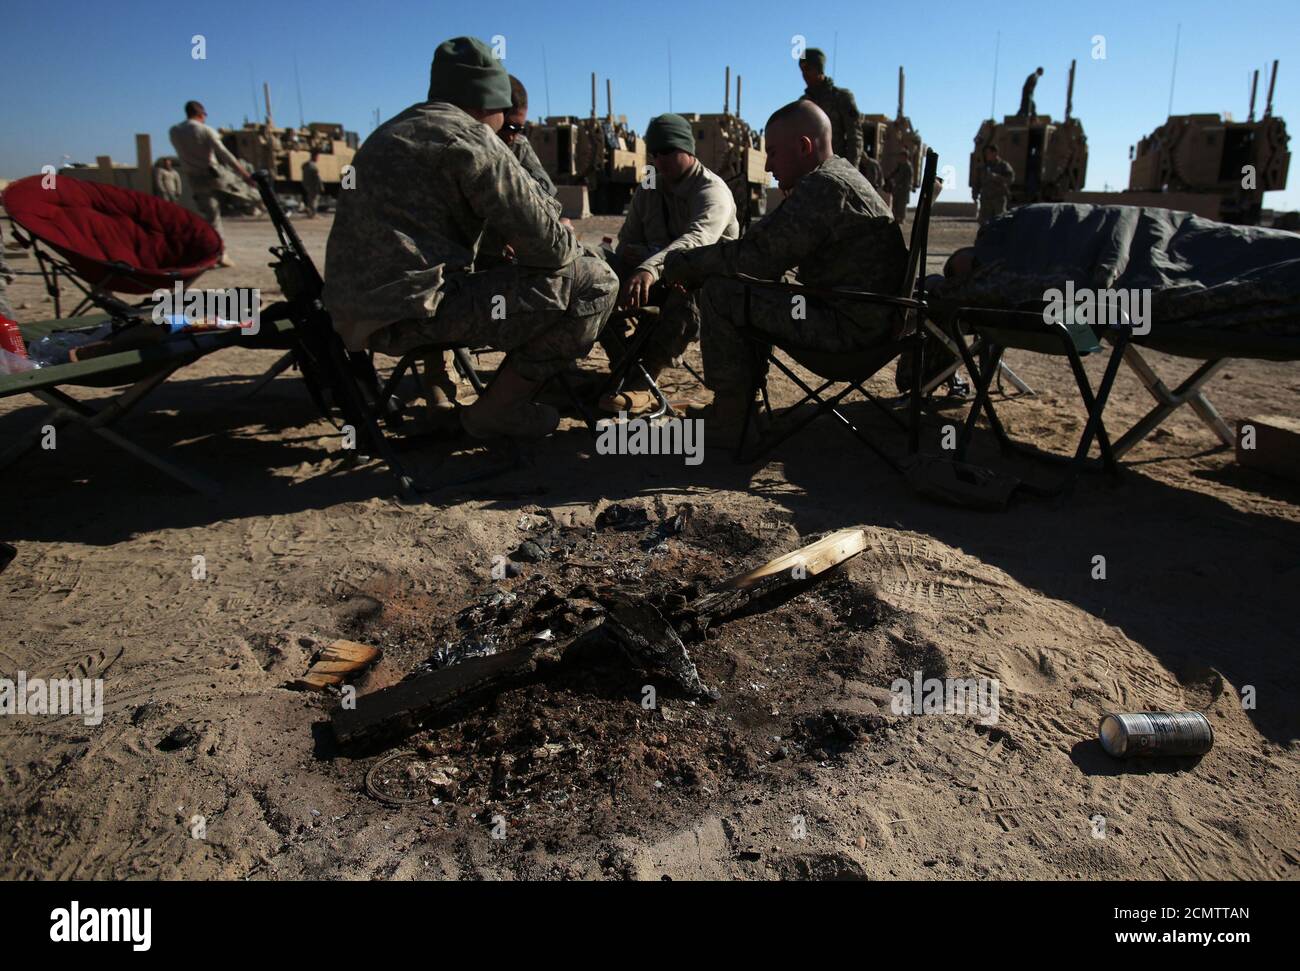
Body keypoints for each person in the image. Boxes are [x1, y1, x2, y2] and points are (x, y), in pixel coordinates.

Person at [322, 36, 618, 441]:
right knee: (596, 281)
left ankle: (448, 393)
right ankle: (497, 412)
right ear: (490, 104)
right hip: (416, 315)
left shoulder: (389, 132)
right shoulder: (471, 138)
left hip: (352, 316)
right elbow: (552, 249)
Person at [661, 100, 906, 445]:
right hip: (861, 319)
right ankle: (742, 406)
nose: (769, 164)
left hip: (847, 332)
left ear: (804, 147)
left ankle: (732, 417)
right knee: (755, 284)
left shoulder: (824, 187)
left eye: (773, 153)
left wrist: (683, 265)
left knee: (723, 291)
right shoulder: (840, 177)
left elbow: (754, 256)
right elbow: (769, 252)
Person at [598, 113, 739, 414]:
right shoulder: (650, 184)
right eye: (655, 152)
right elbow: (627, 240)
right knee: (594, 272)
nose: (659, 159)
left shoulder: (712, 190)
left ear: (688, 150)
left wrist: (651, 265)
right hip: (651, 277)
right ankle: (624, 362)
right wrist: (635, 256)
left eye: (668, 151)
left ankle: (641, 382)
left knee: (686, 291)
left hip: (703, 286)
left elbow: (698, 241)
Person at [169, 100, 254, 267]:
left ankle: (216, 253)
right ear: (201, 114)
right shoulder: (204, 130)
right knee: (254, 195)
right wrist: (245, 175)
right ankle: (219, 253)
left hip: (194, 178)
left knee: (211, 216)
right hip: (213, 175)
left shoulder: (174, 131)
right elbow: (224, 154)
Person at [797, 48, 862, 167]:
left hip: (836, 167)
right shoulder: (803, 103)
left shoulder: (841, 97)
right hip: (809, 170)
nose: (804, 74)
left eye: (808, 69)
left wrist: (851, 169)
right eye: (802, 70)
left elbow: (854, 137)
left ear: (819, 69)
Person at [974, 144, 1015, 226]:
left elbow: (1010, 179)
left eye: (988, 153)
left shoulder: (1003, 166)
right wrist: (974, 193)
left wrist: (997, 177)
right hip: (986, 200)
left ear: (995, 153)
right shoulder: (984, 167)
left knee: (1000, 221)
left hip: (998, 199)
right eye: (986, 153)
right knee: (983, 223)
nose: (986, 155)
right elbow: (977, 182)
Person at [888, 155, 913, 225]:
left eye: (901, 157)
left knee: (902, 204)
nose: (900, 158)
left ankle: (901, 219)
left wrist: (902, 185)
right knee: (896, 203)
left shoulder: (908, 166)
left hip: (904, 188)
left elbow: (908, 179)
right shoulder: (901, 165)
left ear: (905, 157)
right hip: (898, 188)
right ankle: (897, 218)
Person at [301, 152, 323, 218]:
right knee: (314, 200)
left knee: (310, 200)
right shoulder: (313, 167)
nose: (318, 158)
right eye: (317, 157)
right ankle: (313, 214)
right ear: (314, 157)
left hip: (307, 185)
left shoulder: (306, 165)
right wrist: (321, 186)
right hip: (313, 186)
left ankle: (310, 213)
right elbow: (317, 178)